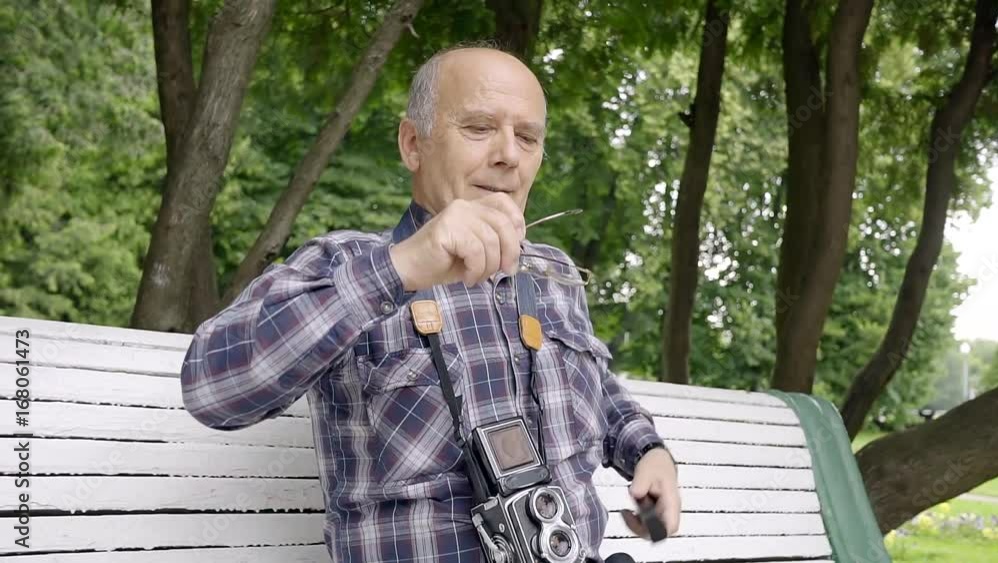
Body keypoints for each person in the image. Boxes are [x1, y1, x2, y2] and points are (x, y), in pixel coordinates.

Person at [180, 44, 680, 563]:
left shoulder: (552, 273)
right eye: (479, 128)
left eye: (527, 137)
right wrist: (401, 269)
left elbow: (599, 392)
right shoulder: (346, 264)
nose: (509, 154)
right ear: (413, 144)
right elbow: (211, 388)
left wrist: (648, 451)